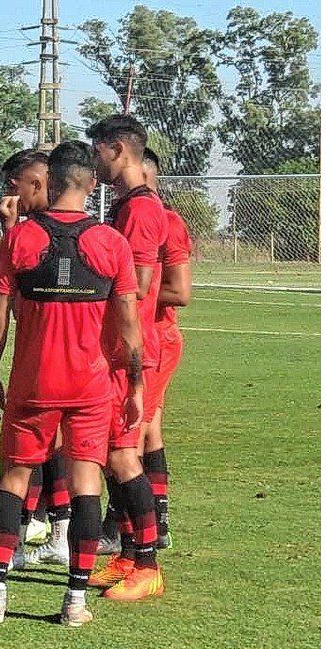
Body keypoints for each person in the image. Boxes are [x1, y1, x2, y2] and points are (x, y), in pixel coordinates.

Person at [0, 140, 144, 627]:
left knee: (13, 479)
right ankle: (74, 603)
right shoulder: (112, 243)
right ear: (91, 183)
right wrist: (133, 386)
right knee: (87, 482)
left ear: (51, 183)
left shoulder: (20, 239)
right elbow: (129, 325)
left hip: (32, 383)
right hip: (91, 387)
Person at [85, 114, 167, 601]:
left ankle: (149, 564)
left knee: (122, 454)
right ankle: (129, 554)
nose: (94, 160)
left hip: (130, 353)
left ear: (116, 149)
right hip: (116, 351)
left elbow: (135, 286)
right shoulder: (125, 206)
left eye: (97, 150)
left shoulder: (139, 210)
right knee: (113, 456)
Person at [141, 147, 192, 549]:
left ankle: (124, 524)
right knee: (149, 428)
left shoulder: (167, 222)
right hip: (141, 337)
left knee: (131, 434)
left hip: (157, 337)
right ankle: (158, 521)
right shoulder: (127, 215)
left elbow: (180, 291)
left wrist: (124, 294)